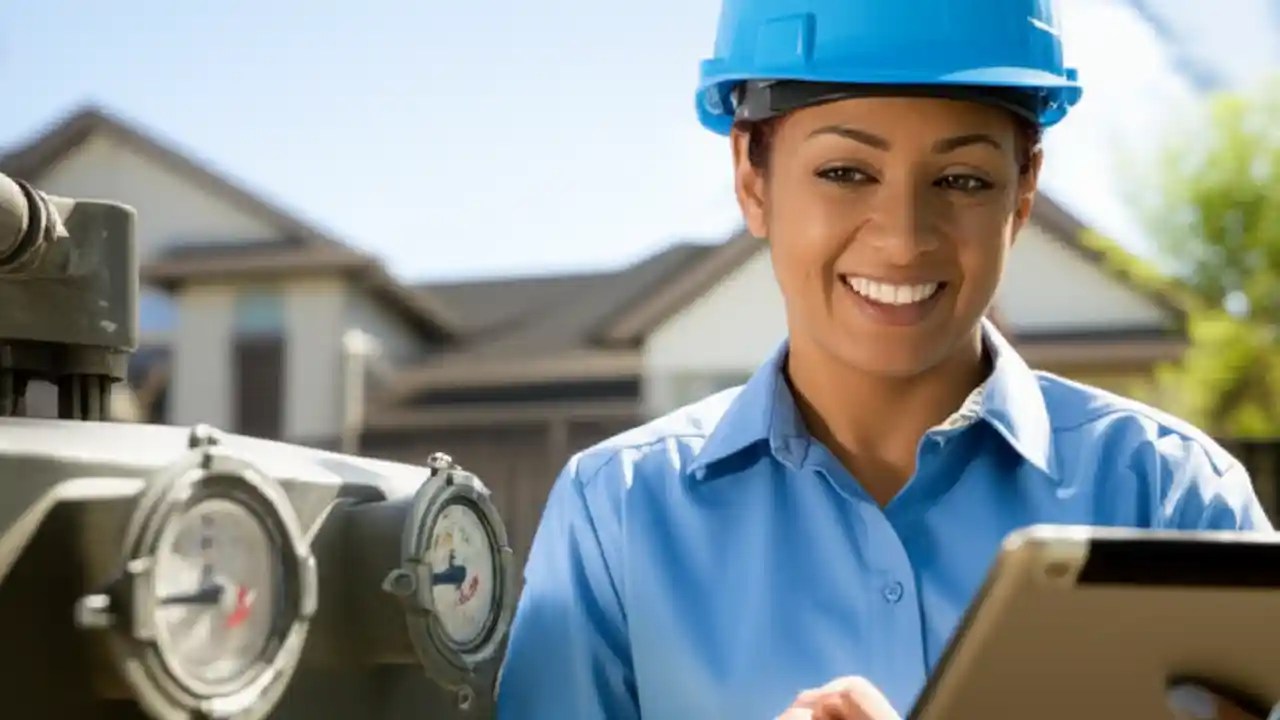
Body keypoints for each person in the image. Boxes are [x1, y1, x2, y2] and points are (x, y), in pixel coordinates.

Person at [495, 1, 1274, 718]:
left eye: (962, 180)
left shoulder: (1170, 499)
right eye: (845, 173)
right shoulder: (620, 514)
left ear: (1024, 191)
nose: (903, 238)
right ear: (751, 178)